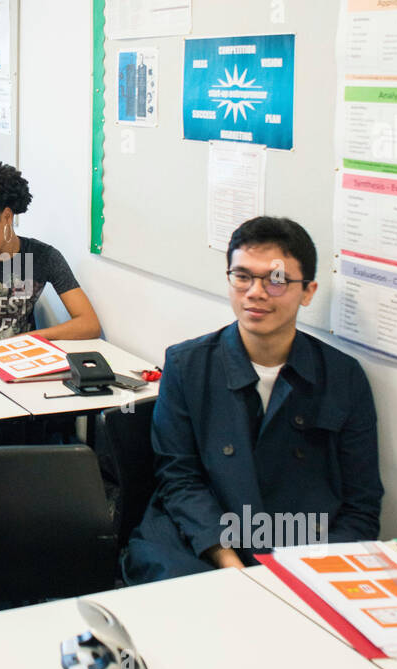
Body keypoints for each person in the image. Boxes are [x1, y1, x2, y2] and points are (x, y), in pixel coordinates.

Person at [124, 216, 383, 583]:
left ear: (308, 291)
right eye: (242, 276)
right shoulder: (188, 364)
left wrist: (312, 575)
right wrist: (235, 569)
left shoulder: (343, 376)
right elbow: (179, 480)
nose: (255, 292)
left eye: (276, 279)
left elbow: (361, 504)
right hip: (199, 543)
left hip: (300, 549)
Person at [0, 159, 100, 348]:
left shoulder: (44, 257)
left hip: (16, 359)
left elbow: (89, 324)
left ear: (7, 216)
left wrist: (29, 338)